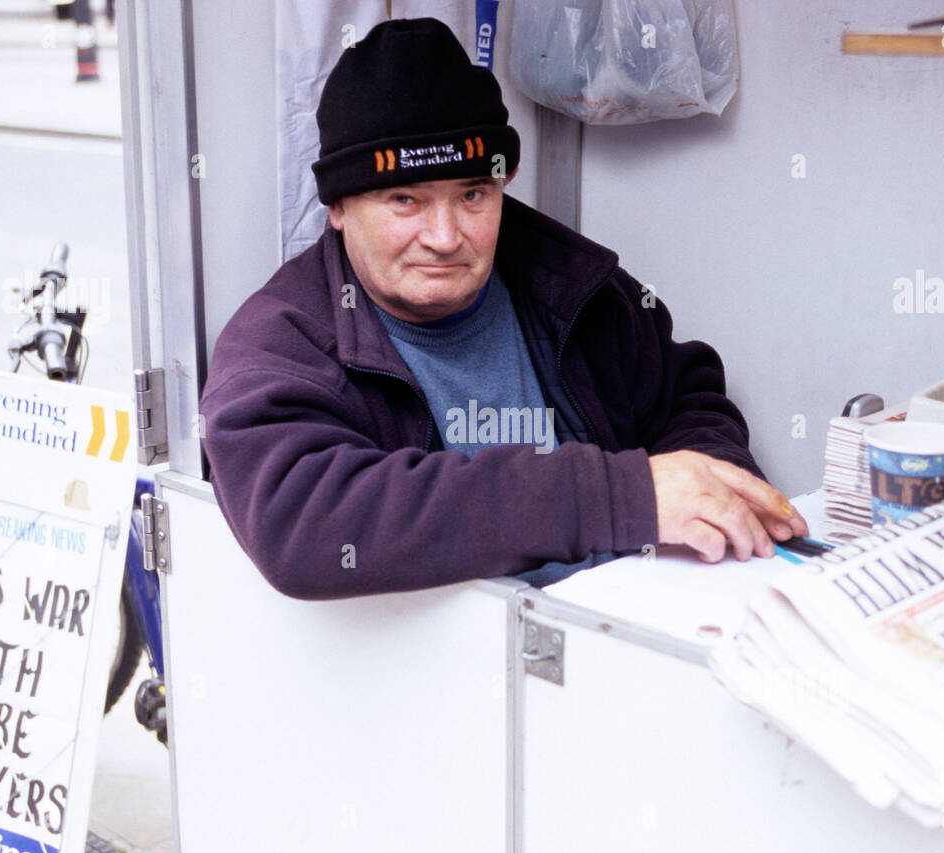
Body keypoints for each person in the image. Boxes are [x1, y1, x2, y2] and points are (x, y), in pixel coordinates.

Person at [201, 17, 807, 601]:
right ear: (336, 206)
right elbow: (306, 524)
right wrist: (624, 498)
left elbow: (685, 395)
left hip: (627, 633)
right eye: (405, 200)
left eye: (471, 195)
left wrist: (708, 486)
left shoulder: (574, 285)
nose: (444, 236)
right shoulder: (278, 347)